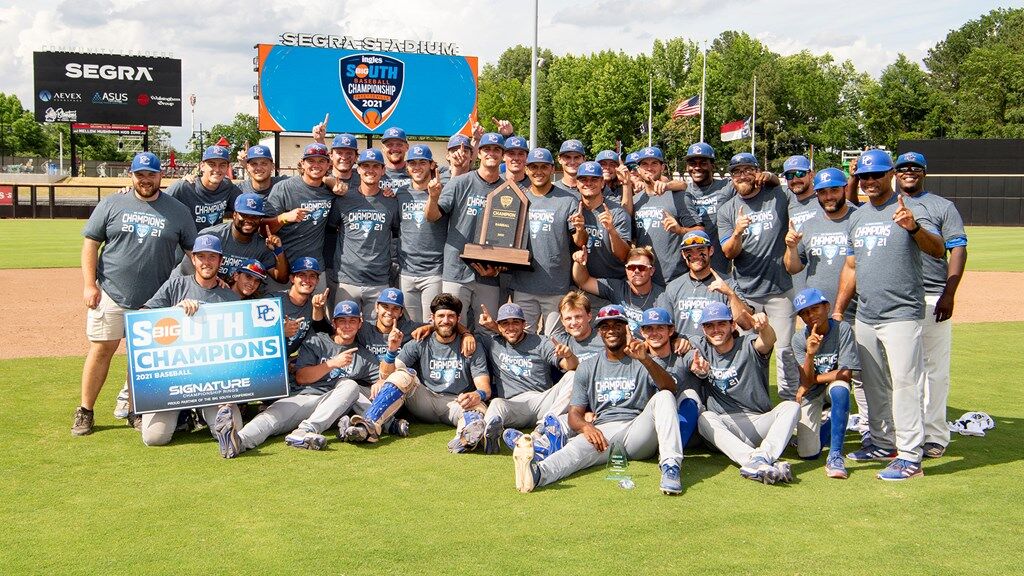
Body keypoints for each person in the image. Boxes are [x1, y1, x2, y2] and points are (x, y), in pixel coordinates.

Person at [834, 149, 946, 481]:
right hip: (866, 314)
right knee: (873, 384)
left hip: (902, 313)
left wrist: (913, 228)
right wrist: (839, 309)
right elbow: (851, 267)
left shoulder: (911, 209)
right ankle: (883, 443)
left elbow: (937, 249)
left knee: (906, 384)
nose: (870, 181)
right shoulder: (857, 217)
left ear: (890, 175)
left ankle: (910, 456)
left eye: (877, 175)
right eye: (864, 176)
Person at [73, 152, 197, 436]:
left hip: (154, 300)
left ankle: (135, 410)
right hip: (111, 291)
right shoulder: (112, 203)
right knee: (101, 350)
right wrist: (89, 284)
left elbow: (194, 253)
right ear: (131, 175)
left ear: (161, 175)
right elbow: (91, 243)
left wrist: (209, 282)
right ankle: (85, 410)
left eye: (151, 174)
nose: (145, 180)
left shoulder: (178, 211)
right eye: (140, 174)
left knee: (140, 358)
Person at [512, 304, 683, 495]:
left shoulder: (643, 358)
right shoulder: (587, 367)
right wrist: (586, 427)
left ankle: (671, 466)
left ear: (626, 327)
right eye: (605, 326)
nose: (611, 330)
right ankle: (537, 473)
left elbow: (670, 388)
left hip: (638, 431)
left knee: (664, 396)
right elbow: (574, 414)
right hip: (604, 431)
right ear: (599, 331)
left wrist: (646, 360)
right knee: (575, 448)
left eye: (617, 325)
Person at [211, 300, 372, 457]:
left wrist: (381, 379)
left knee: (350, 385)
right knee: (271, 417)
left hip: (331, 404)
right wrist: (332, 363)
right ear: (334, 323)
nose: (347, 325)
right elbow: (301, 377)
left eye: (352, 321)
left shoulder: (364, 356)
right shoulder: (317, 341)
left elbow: (381, 379)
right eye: (342, 320)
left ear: (360, 323)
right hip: (304, 396)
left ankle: (305, 431)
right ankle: (238, 441)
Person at [894, 152, 968, 458]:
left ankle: (935, 434)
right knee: (900, 371)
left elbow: (958, 249)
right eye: (903, 168)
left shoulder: (941, 206)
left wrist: (949, 293)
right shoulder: (883, 204)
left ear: (924, 172)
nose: (909, 171)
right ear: (895, 173)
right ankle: (903, 431)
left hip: (932, 293)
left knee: (934, 369)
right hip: (895, 297)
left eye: (915, 167)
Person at [137, 234, 240, 446]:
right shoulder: (175, 285)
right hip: (174, 380)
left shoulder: (229, 296)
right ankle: (184, 413)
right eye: (201, 256)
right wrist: (174, 313)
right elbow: (141, 319)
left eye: (212, 257)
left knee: (234, 430)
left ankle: (200, 412)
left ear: (220, 261)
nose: (206, 262)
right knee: (154, 438)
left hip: (213, 382)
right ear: (193, 259)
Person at [717, 152, 800, 401]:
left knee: (785, 352)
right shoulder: (727, 210)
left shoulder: (777, 196)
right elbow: (728, 252)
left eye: (748, 170)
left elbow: (791, 187)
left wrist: (772, 177)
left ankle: (789, 408)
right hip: (746, 294)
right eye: (736, 172)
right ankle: (754, 405)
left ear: (757, 171)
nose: (742, 175)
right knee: (751, 353)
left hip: (779, 290)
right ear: (731, 178)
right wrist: (738, 232)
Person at [689, 302, 800, 484]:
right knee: (704, 418)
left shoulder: (747, 344)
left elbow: (768, 341)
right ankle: (758, 459)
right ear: (703, 329)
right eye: (709, 325)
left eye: (721, 324)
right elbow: (675, 340)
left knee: (791, 406)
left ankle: (761, 458)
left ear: (732, 325)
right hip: (723, 427)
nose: (715, 330)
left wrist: (764, 327)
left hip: (756, 422)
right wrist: (678, 342)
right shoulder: (700, 346)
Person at [378, 293, 492, 453]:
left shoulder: (471, 345)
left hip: (456, 403)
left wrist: (477, 394)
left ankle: (465, 439)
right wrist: (391, 351)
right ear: (432, 318)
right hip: (424, 400)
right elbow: (387, 375)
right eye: (441, 316)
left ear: (458, 319)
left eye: (451, 316)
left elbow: (485, 389)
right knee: (403, 375)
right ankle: (370, 424)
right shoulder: (420, 341)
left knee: (479, 406)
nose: (446, 320)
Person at [426, 132, 509, 328]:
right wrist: (433, 197)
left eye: (497, 149)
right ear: (478, 153)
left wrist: (498, 268)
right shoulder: (459, 182)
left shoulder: (508, 190)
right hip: (457, 270)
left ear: (503, 155)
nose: (491, 153)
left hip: (488, 274)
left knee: (488, 330)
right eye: (487, 149)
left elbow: (511, 237)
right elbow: (432, 216)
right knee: (451, 328)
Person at [476, 303, 579, 454]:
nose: (511, 327)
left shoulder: (541, 341)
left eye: (515, 322)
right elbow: (465, 337)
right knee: (497, 403)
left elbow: (570, 365)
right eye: (505, 323)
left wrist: (569, 356)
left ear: (524, 324)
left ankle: (543, 429)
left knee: (573, 375)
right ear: (499, 326)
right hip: (514, 405)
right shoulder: (492, 342)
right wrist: (466, 335)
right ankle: (488, 438)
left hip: (542, 401)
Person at [791, 288, 859, 479]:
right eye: (804, 313)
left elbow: (846, 374)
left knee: (840, 389)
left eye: (815, 309)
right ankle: (834, 423)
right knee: (808, 454)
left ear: (827, 307)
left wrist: (813, 380)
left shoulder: (842, 329)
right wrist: (810, 354)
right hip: (812, 393)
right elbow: (806, 380)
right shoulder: (799, 339)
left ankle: (835, 455)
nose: (810, 315)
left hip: (832, 386)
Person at [511, 148, 579, 334]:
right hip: (524, 284)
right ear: (526, 169)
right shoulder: (518, 197)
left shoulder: (568, 200)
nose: (538, 171)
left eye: (544, 166)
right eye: (534, 167)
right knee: (524, 339)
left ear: (552, 169)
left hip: (556, 285)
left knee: (554, 340)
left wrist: (580, 229)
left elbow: (579, 241)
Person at [328, 148, 401, 316]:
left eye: (376, 166)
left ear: (383, 170)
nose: (370, 170)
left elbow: (397, 232)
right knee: (344, 327)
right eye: (366, 166)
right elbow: (332, 227)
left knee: (376, 329)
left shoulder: (391, 201)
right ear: (358, 169)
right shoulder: (344, 198)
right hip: (347, 279)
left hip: (379, 280)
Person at [262, 143, 336, 291]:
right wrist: (283, 218)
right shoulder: (284, 188)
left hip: (314, 268)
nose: (316, 165)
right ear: (302, 163)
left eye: (321, 161)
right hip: (283, 266)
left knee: (318, 305)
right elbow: (263, 229)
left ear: (329, 164)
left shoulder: (331, 191)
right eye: (311, 161)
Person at [656, 231, 750, 340]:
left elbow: (747, 324)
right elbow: (663, 327)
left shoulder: (727, 283)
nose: (695, 256)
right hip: (684, 349)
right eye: (689, 251)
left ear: (711, 251)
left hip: (717, 348)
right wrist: (675, 341)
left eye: (700, 250)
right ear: (683, 255)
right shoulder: (673, 287)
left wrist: (730, 294)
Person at [178, 192, 288, 284]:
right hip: (196, 288)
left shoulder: (261, 244)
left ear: (260, 219)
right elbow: (186, 271)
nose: (249, 220)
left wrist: (278, 250)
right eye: (244, 215)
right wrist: (213, 283)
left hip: (234, 296)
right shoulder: (212, 236)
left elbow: (281, 278)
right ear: (234, 215)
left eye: (254, 216)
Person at [395, 145, 447, 322]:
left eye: (422, 162)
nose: (417, 167)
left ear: (431, 165)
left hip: (434, 271)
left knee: (431, 325)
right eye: (412, 163)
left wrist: (434, 195)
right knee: (410, 326)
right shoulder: (401, 192)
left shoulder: (442, 191)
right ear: (407, 167)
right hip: (407, 270)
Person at [572, 245, 665, 334]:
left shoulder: (662, 296)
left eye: (642, 268)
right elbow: (583, 282)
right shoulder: (617, 288)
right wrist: (579, 262)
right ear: (626, 270)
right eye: (631, 267)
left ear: (651, 271)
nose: (636, 271)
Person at [572, 161, 632, 289]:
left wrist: (611, 230)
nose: (588, 183)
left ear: (602, 183)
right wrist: (580, 229)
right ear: (577, 183)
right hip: (584, 282)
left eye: (594, 179)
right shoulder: (574, 208)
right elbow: (579, 244)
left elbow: (623, 256)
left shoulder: (617, 212)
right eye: (583, 179)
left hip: (615, 284)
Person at [681, 142, 734, 274]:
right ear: (687, 167)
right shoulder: (683, 192)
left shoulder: (726, 187)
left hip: (720, 265)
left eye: (703, 163)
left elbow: (751, 182)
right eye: (692, 163)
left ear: (712, 166)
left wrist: (769, 176)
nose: (697, 167)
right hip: (692, 265)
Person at [166, 145, 242, 234]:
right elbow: (158, 203)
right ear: (202, 166)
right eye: (212, 164)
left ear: (227, 168)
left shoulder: (227, 186)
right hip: (188, 240)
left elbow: (246, 205)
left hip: (215, 240)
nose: (217, 169)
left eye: (222, 165)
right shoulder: (185, 186)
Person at [781, 155, 820, 292]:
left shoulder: (824, 199)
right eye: (790, 175)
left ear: (811, 175)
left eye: (800, 173)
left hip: (823, 276)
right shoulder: (789, 203)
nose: (795, 179)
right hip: (799, 281)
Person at [550, 291, 605, 364]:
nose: (574, 323)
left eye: (578, 317)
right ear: (562, 321)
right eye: (568, 318)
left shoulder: (604, 338)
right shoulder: (560, 343)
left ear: (589, 316)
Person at [595, 149, 634, 213]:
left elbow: (626, 214)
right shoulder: (589, 187)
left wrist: (626, 184)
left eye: (612, 165)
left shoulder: (623, 189)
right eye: (603, 164)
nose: (607, 167)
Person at [380, 126, 411, 192]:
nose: (394, 149)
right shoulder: (376, 173)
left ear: (407, 147)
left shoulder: (416, 173)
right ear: (383, 148)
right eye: (389, 145)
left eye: (399, 144)